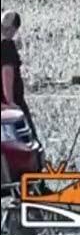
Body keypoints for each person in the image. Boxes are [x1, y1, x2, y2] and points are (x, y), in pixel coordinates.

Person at [2, 10, 39, 142]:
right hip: (12, 104)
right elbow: (7, 73)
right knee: (28, 143)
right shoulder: (7, 46)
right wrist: (10, 102)